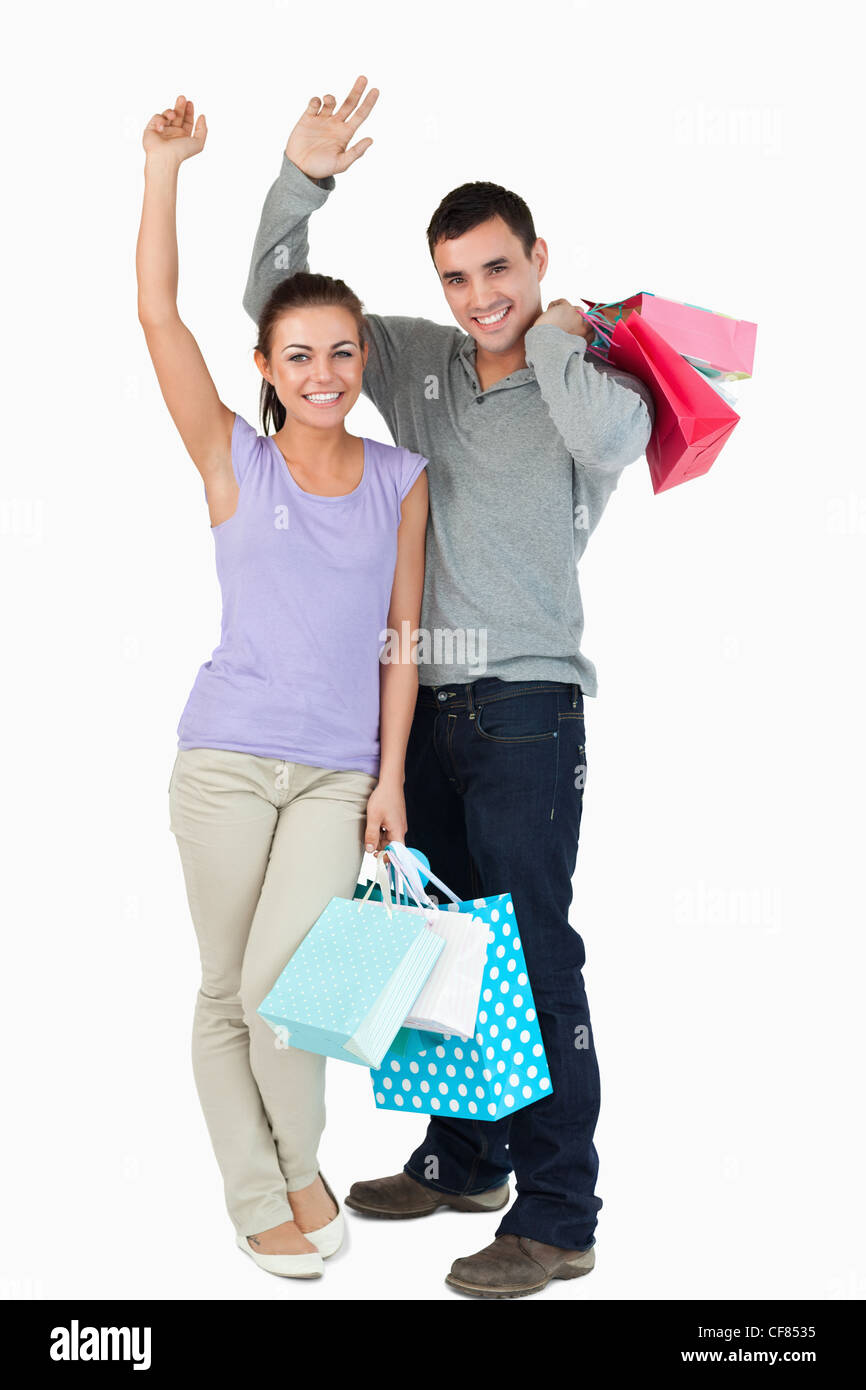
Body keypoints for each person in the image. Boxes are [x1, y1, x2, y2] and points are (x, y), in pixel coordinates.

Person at [243, 76, 655, 1299]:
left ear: (536, 259)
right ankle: (464, 1159)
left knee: (530, 957)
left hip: (528, 705)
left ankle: (559, 1213)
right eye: (457, 280)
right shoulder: (418, 365)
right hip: (426, 700)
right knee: (440, 950)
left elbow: (616, 446)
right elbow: (276, 311)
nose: (478, 298)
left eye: (497, 271)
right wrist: (299, 181)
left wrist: (557, 330)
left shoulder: (587, 379)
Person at [136, 93, 429, 1281]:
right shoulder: (230, 458)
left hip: (333, 773)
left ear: (365, 359)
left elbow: (401, 639)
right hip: (219, 760)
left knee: (281, 990)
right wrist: (163, 170)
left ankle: (298, 1166)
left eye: (341, 352)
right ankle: (268, 1190)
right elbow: (155, 311)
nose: (322, 372)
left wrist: (390, 776)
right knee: (224, 991)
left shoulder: (399, 477)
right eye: (297, 354)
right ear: (265, 365)